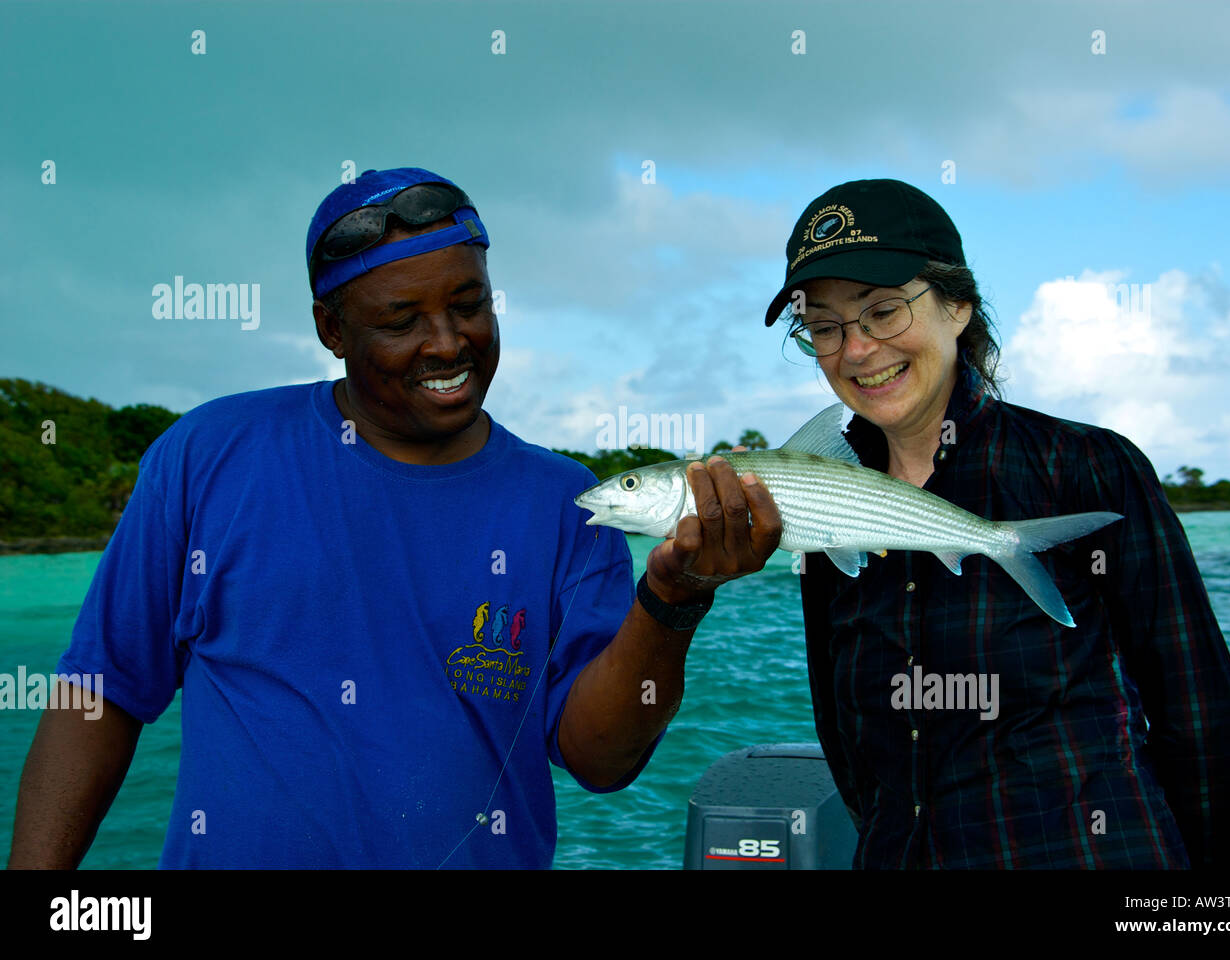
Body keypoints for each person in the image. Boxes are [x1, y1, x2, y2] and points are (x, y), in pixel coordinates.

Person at [8, 167, 781, 869]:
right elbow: (98, 695)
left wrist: (673, 601)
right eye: (401, 320)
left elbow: (600, 760)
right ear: (331, 330)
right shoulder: (207, 456)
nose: (447, 343)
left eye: (469, 304)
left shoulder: (565, 503)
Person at [765, 179, 1230, 869]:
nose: (856, 350)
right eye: (824, 327)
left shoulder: (1088, 465)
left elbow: (1198, 715)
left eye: (881, 312)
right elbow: (844, 738)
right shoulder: (821, 505)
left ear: (957, 306)